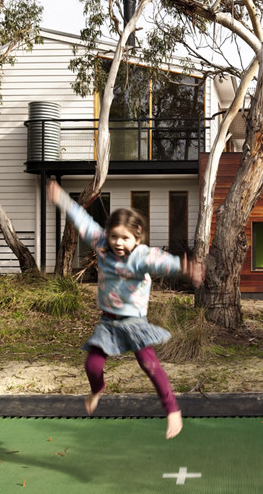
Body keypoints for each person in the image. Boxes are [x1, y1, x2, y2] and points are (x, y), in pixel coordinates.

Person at [46, 180, 204, 439]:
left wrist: (185, 268)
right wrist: (62, 198)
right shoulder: (102, 244)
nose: (119, 243)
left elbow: (163, 262)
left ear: (137, 236)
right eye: (114, 236)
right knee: (92, 366)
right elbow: (82, 220)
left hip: (134, 323)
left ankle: (172, 409)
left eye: (125, 238)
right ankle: (98, 389)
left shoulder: (141, 256)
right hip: (108, 322)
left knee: (149, 364)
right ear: (107, 234)